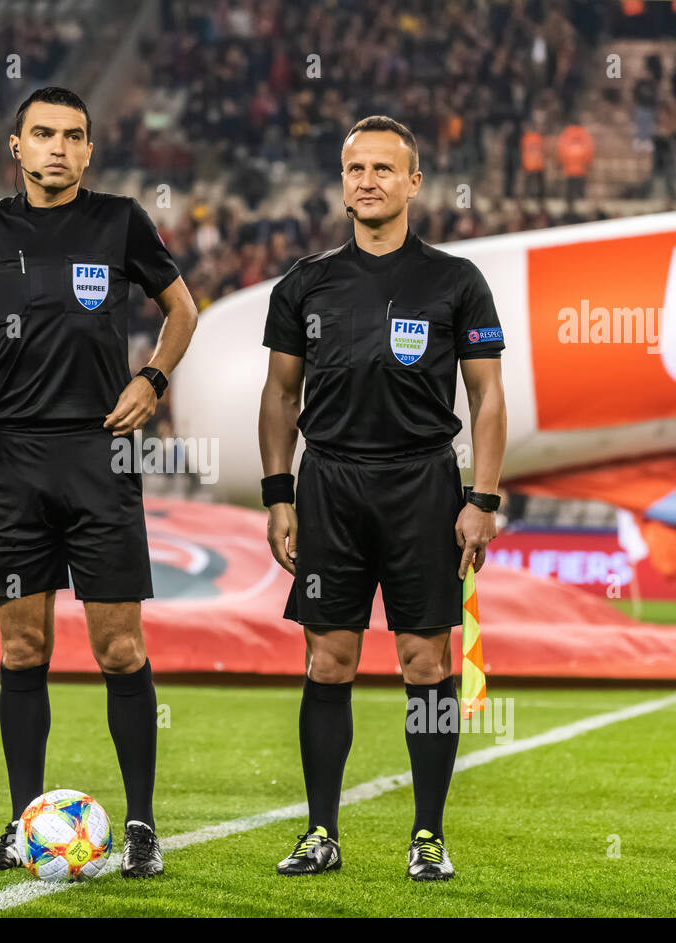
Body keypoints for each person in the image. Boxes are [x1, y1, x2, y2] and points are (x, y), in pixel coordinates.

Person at [0, 87, 197, 878]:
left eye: (72, 137)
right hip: (12, 458)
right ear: (16, 146)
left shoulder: (120, 222)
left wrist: (152, 379)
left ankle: (143, 825)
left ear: (88, 150)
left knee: (118, 646)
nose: (57, 147)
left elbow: (182, 309)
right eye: (41, 134)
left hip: (100, 454)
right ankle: (22, 823)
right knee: (23, 644)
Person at [258, 116, 507, 880]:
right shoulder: (303, 284)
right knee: (328, 660)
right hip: (329, 485)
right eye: (354, 168)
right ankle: (320, 833)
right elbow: (279, 394)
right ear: (342, 180)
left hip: (423, 487)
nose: (367, 180)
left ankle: (427, 835)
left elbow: (488, 398)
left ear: (414, 182)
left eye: (383, 169)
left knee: (426, 663)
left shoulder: (455, 281)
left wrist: (482, 499)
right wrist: (279, 494)